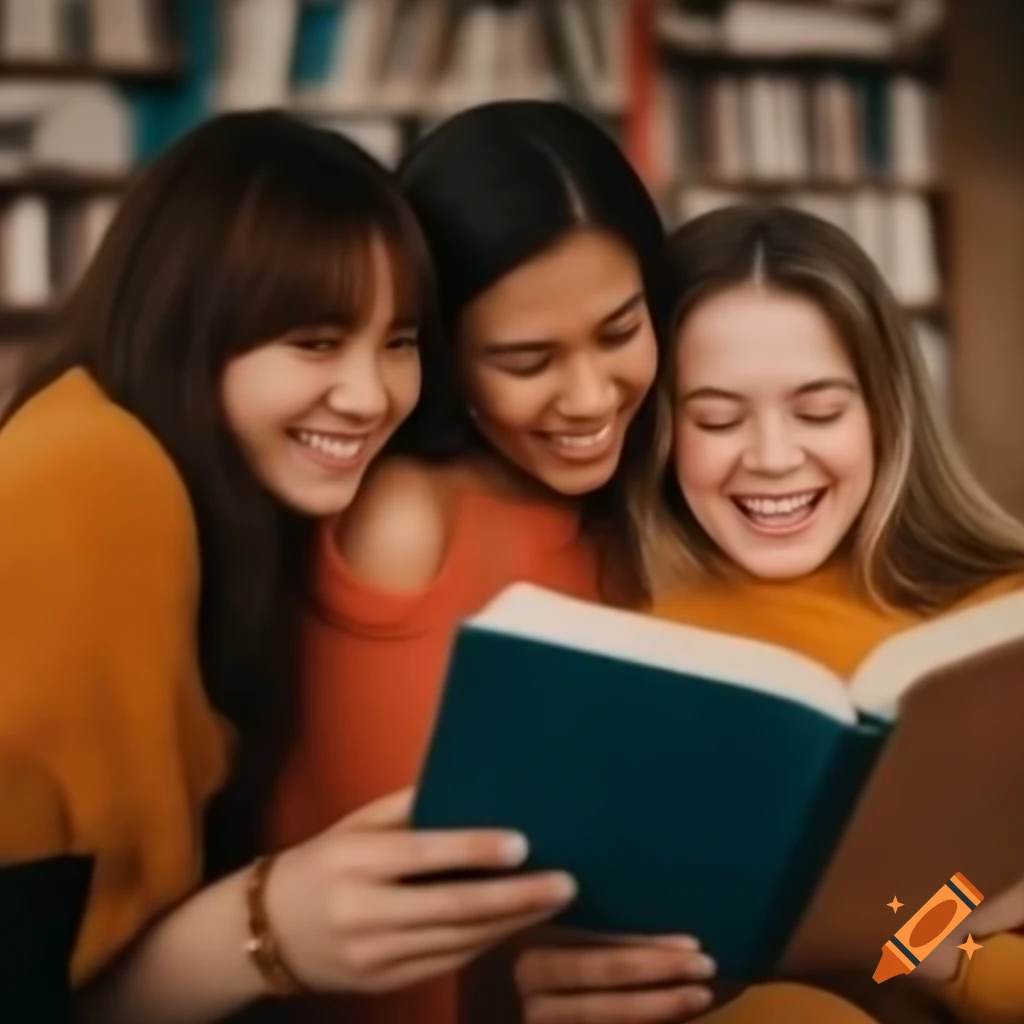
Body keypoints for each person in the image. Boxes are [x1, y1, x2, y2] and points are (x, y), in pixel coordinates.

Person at [0, 109, 574, 1024]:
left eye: (398, 342)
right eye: (315, 341)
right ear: (190, 322)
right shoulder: (95, 472)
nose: (370, 395)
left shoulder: (218, 503)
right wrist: (270, 926)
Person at [265, 100, 719, 1024]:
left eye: (620, 331)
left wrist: (935, 946)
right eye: (525, 360)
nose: (589, 397)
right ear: (443, 357)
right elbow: (400, 949)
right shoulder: (408, 524)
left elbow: (899, 936)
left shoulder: (672, 496)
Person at [514, 202, 1024, 1024]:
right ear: (660, 429)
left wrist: (937, 948)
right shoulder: (617, 630)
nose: (775, 457)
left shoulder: (1001, 623)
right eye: (716, 418)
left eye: (820, 411)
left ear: (884, 412)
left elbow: (957, 923)